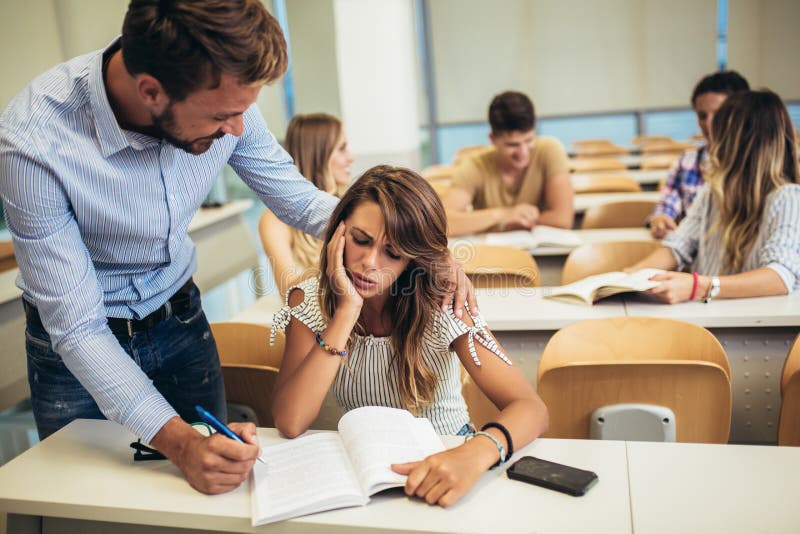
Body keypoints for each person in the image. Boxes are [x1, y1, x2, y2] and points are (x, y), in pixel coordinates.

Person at [0, 0, 475, 495]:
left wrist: (423, 251)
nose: (239, 132)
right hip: (78, 351)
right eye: (225, 116)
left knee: (216, 492)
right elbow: (79, 329)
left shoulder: (224, 98)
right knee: (81, 503)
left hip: (179, 323)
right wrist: (180, 443)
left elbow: (297, 198)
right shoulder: (34, 141)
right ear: (152, 92)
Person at [270, 165, 549, 507]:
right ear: (338, 231)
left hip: (450, 458)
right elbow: (290, 420)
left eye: (393, 252)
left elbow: (531, 408)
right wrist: (345, 313)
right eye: (360, 240)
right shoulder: (309, 299)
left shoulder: (442, 300)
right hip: (368, 470)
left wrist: (475, 454)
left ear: (412, 257)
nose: (369, 262)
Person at [629, 90, 800, 303]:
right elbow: (677, 247)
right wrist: (627, 277)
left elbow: (779, 277)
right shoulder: (711, 193)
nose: (713, 143)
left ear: (740, 143)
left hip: (746, 324)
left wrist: (699, 286)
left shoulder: (788, 199)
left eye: (721, 135)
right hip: (706, 314)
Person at [442, 91, 574, 237]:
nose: (523, 152)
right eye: (513, 145)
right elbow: (442, 223)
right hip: (492, 256)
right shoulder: (475, 166)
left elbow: (563, 219)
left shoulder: (550, 149)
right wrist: (501, 215)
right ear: (492, 139)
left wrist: (508, 225)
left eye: (529, 140)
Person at [259, 113, 354, 297]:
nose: (351, 158)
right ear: (318, 155)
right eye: (342, 149)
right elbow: (288, 292)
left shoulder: (349, 205)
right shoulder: (273, 220)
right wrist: (336, 264)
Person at [648, 70, 750, 238]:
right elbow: (669, 200)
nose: (709, 123)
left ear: (744, 114)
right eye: (702, 116)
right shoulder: (687, 162)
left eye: (719, 114)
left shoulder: (760, 164)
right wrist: (661, 217)